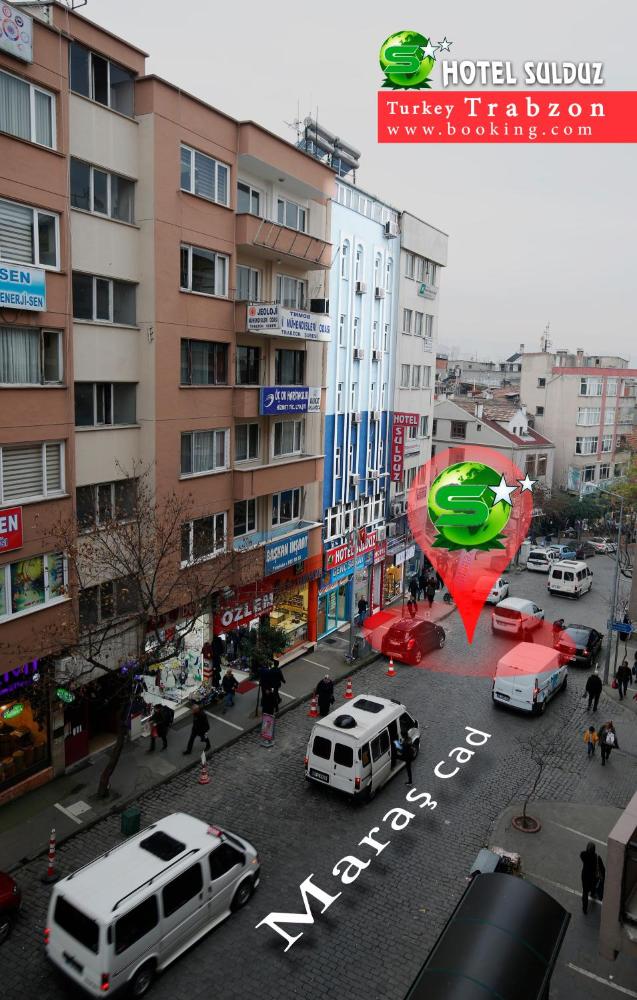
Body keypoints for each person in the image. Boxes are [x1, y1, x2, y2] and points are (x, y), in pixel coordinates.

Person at [580, 842, 599, 914]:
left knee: (585, 892)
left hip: (585, 875)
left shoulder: (584, 855)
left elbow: (581, 854)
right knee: (593, 885)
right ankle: (592, 894)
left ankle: (584, 908)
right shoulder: (595, 856)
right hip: (592, 876)